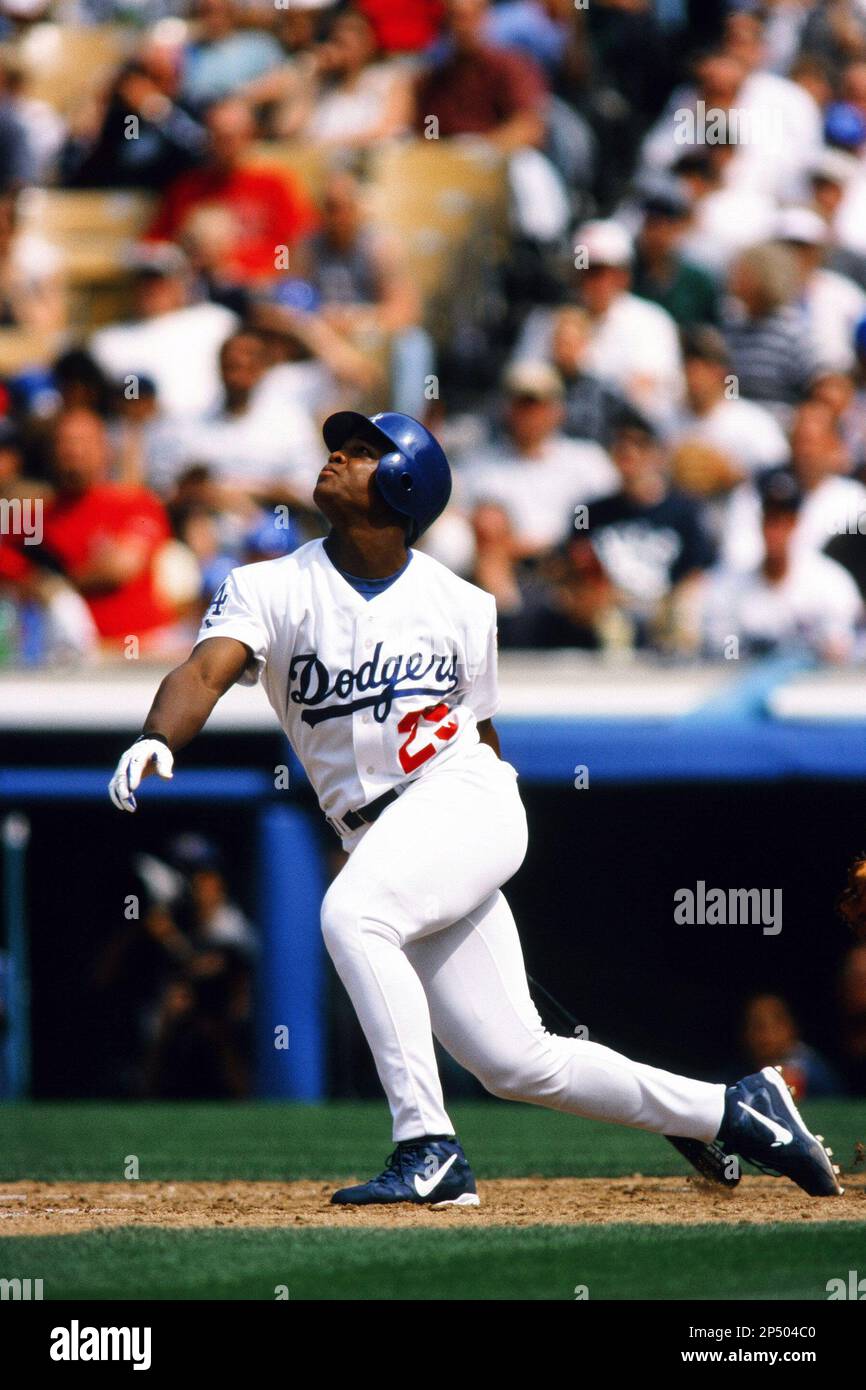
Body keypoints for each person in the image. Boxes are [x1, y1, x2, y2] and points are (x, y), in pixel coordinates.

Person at [108, 410, 843, 1203]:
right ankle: (733, 1111)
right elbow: (202, 672)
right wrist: (160, 737)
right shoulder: (269, 585)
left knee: (353, 918)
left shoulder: (462, 604)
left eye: (360, 453)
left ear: (403, 482)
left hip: (462, 798)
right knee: (516, 1060)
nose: (336, 459)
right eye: (339, 448)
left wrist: (467, 849)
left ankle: (427, 1147)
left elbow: (482, 733)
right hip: (384, 838)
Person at [702, 469, 863, 664]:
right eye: (771, 520)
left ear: (796, 523)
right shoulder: (731, 585)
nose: (777, 531)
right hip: (750, 682)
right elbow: (725, 654)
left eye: (785, 521)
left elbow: (840, 654)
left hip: (810, 686)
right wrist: (742, 653)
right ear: (760, 522)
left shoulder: (830, 582)